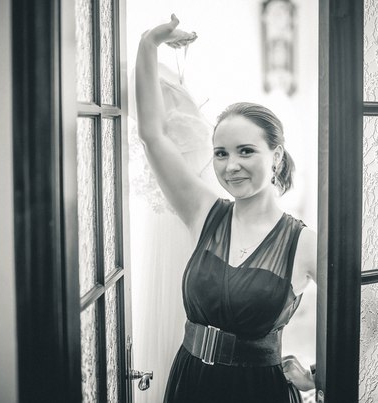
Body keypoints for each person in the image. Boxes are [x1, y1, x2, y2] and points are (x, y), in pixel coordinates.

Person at [135, 14, 318, 403]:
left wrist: (320, 375)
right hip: (190, 383)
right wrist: (149, 43)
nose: (231, 165)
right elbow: (153, 135)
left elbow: (368, 313)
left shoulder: (305, 243)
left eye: (245, 151)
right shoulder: (202, 210)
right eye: (221, 153)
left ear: (276, 156)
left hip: (257, 392)